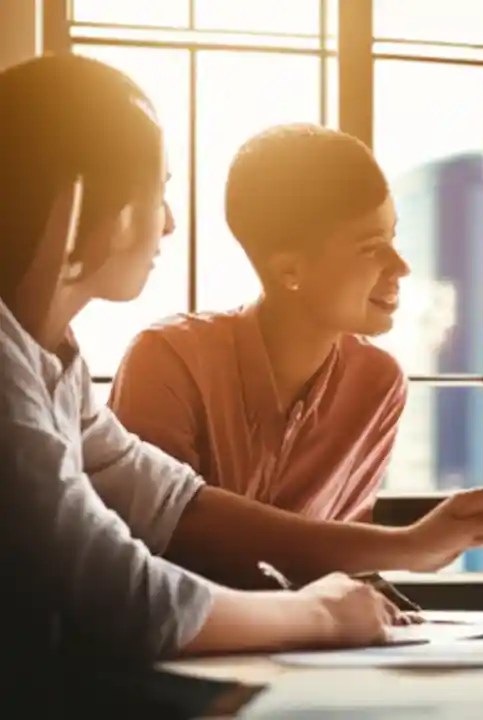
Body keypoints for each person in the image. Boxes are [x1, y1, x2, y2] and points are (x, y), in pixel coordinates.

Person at [0, 55, 483, 686]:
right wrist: (319, 617)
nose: (167, 221)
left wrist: (411, 545)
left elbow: (173, 500)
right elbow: (125, 594)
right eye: (156, 191)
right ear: (79, 201)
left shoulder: (50, 358)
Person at [110, 124, 408, 524]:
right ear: (289, 270)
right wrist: (410, 545)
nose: (401, 267)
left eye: (393, 237)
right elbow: (161, 542)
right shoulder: (169, 361)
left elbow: (343, 551)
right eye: (371, 248)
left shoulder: (377, 382)